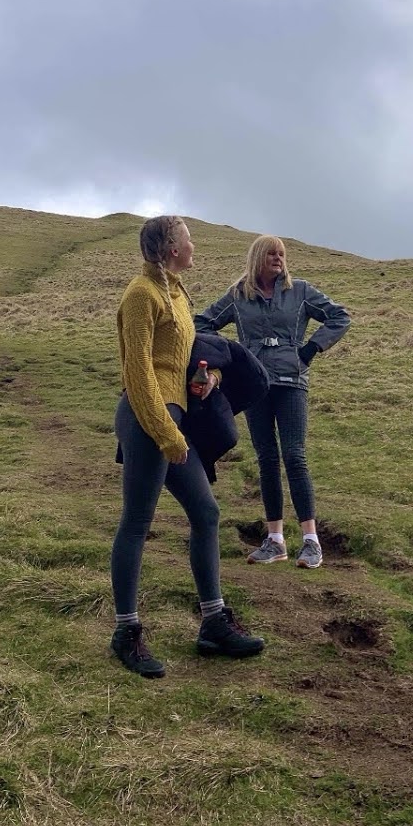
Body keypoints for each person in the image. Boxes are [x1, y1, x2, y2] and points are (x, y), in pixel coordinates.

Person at [111, 215, 266, 678]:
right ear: (171, 249)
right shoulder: (141, 294)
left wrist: (209, 375)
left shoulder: (177, 293)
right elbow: (138, 371)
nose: (194, 246)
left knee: (206, 512)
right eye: (188, 240)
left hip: (174, 418)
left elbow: (187, 353)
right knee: (137, 521)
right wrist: (165, 433)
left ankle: (213, 622)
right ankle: (126, 632)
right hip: (147, 418)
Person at [195, 234, 351, 570]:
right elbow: (201, 323)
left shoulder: (301, 291)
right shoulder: (238, 295)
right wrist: (231, 356)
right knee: (266, 458)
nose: (278, 258)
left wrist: (311, 349)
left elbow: (340, 316)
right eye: (271, 254)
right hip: (255, 383)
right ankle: (275, 540)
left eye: (281, 254)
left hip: (292, 382)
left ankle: (311, 542)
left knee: (294, 456)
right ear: (257, 258)